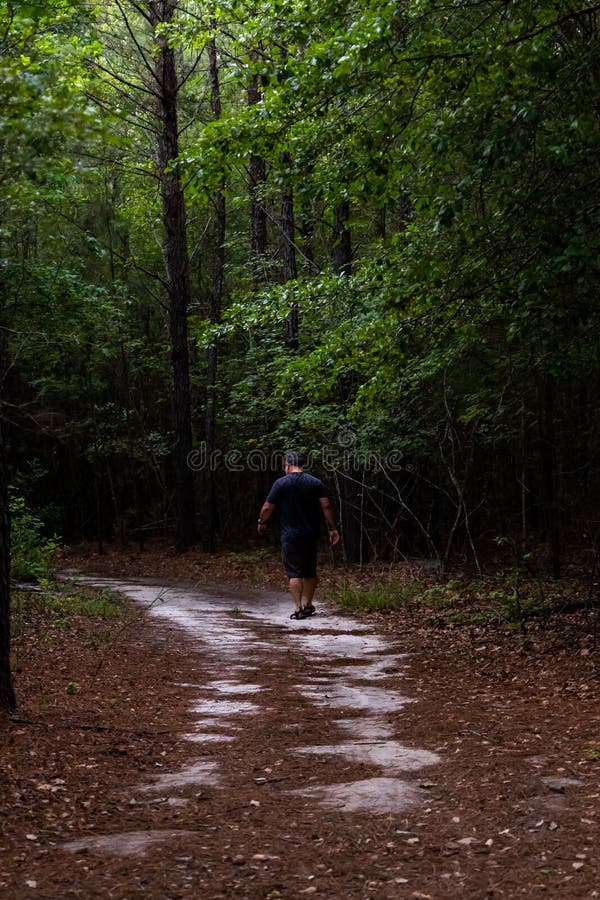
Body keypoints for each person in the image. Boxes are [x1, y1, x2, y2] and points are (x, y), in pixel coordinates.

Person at [258, 452, 340, 620]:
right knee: (310, 570)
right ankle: (309, 604)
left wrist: (262, 521)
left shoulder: (280, 483)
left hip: (290, 535)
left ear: (288, 465)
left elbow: (268, 507)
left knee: (294, 572)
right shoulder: (315, 483)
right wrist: (332, 528)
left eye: (284, 465)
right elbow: (326, 505)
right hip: (311, 533)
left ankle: (298, 608)